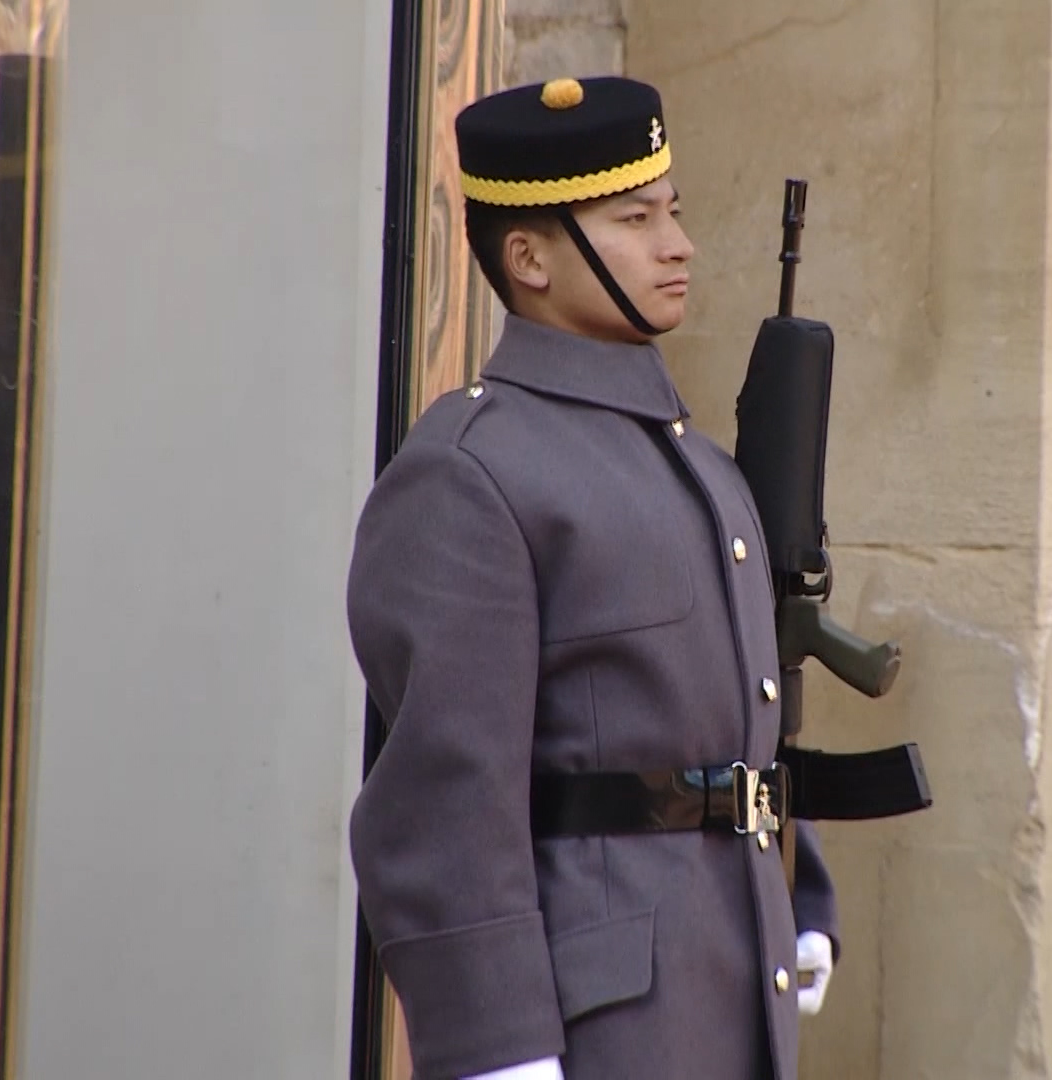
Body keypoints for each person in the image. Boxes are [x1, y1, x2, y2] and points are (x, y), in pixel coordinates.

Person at [345, 75, 837, 1080]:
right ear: (527, 256)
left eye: (674, 213)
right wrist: (496, 1051)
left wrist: (807, 893)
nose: (678, 245)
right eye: (634, 218)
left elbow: (751, 714)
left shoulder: (698, 467)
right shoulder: (471, 471)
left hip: (735, 989)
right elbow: (444, 801)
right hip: (598, 1025)